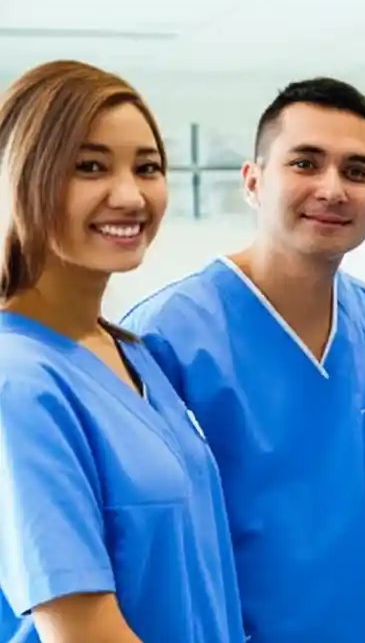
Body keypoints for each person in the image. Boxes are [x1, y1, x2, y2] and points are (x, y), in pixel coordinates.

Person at [120, 78, 365, 642]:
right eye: (305, 163)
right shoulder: (164, 338)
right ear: (254, 182)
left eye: (356, 171)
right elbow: (142, 540)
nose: (333, 189)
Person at [0, 60, 243, 642]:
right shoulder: (19, 380)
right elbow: (80, 629)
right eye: (90, 167)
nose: (130, 195)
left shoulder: (131, 354)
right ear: (22, 176)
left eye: (148, 167)